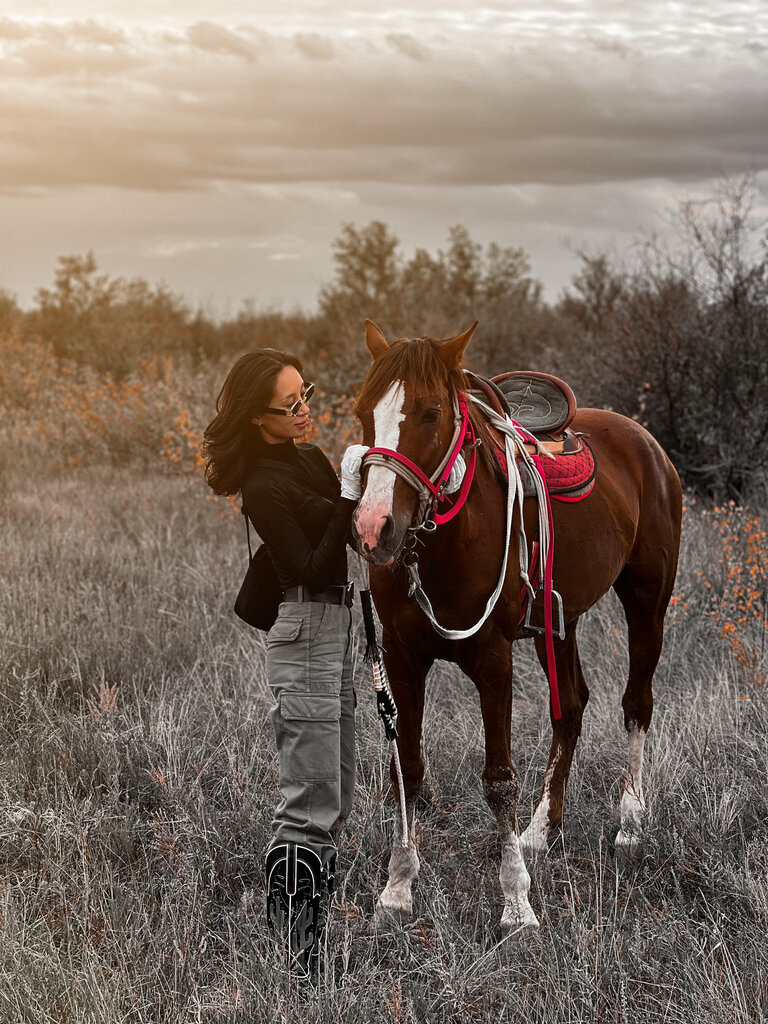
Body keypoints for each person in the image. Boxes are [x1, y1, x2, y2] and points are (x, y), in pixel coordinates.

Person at [202, 349, 367, 979]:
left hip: (338, 625)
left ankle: (309, 945)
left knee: (338, 791)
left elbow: (354, 538)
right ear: (257, 419)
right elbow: (308, 565)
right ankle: (299, 966)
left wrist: (373, 482)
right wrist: (347, 498)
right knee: (310, 801)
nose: (305, 412)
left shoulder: (310, 458)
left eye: (307, 395)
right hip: (303, 629)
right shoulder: (263, 487)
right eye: (290, 404)